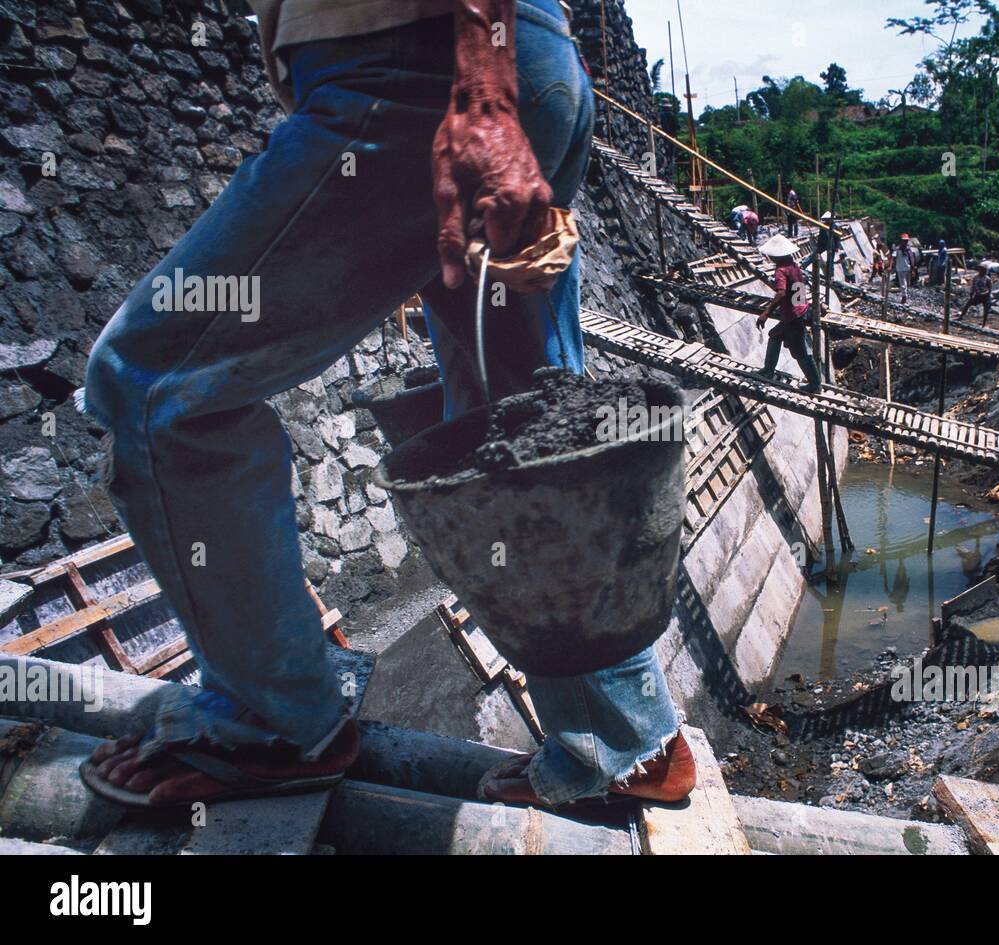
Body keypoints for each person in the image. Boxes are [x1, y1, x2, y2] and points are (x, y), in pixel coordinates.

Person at [80, 0, 694, 811]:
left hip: (416, 73)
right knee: (527, 430)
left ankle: (275, 723)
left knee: (156, 384)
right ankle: (624, 738)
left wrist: (482, 92)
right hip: (516, 63)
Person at [755, 235, 821, 392]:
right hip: (800, 310)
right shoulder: (794, 266)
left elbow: (782, 293)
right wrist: (798, 307)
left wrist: (766, 311)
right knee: (775, 334)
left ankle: (815, 384)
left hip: (793, 317)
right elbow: (799, 288)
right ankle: (768, 370)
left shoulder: (781, 270)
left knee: (800, 351)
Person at [892, 235, 912, 303]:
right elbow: (893, 258)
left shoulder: (908, 249)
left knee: (906, 283)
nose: (905, 242)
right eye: (904, 240)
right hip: (900, 268)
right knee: (903, 283)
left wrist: (913, 266)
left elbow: (911, 258)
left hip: (906, 268)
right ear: (902, 241)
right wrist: (891, 266)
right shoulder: (897, 249)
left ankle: (905, 296)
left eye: (906, 240)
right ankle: (904, 296)